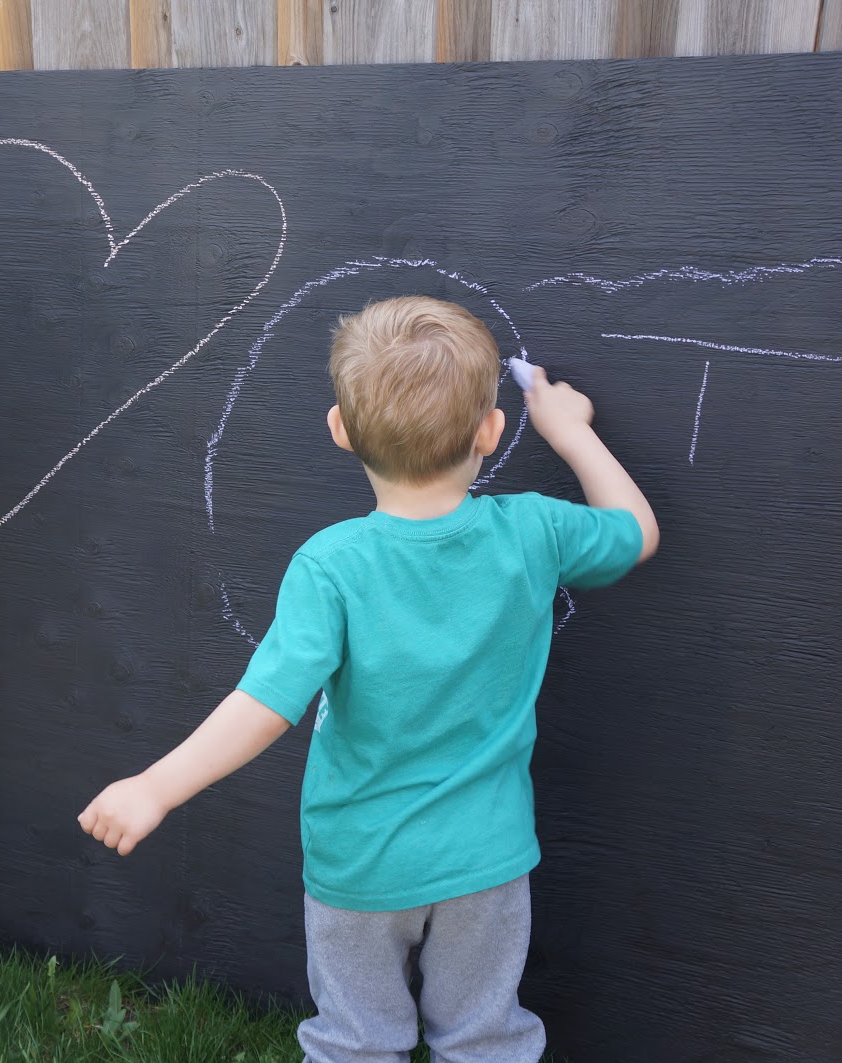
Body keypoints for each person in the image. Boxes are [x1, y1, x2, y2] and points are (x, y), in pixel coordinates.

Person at [78, 295, 658, 1063]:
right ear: (492, 431)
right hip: (485, 859)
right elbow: (637, 532)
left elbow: (267, 703)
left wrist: (156, 785)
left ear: (340, 429)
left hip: (359, 860)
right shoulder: (535, 530)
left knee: (354, 1041)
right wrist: (570, 431)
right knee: (485, 1039)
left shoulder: (334, 563)